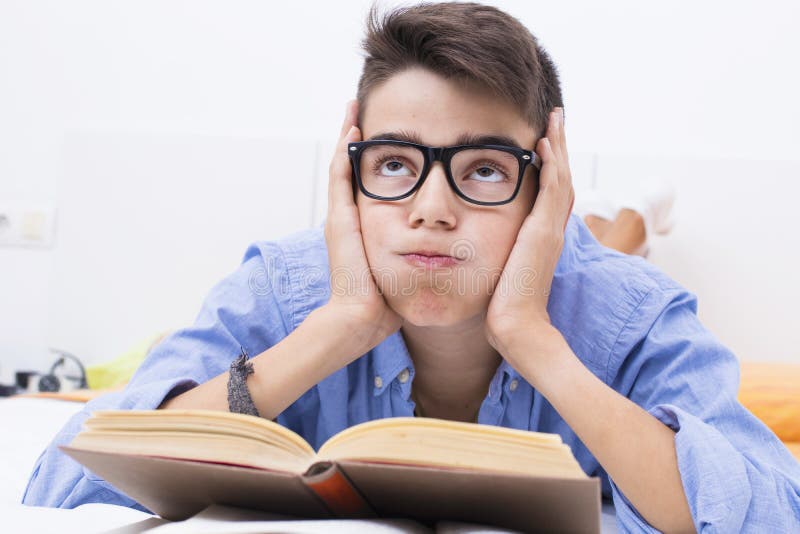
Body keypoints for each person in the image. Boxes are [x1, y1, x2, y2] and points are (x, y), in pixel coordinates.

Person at [22, 3, 800, 532]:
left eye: (485, 169)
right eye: (394, 164)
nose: (431, 207)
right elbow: (61, 491)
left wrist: (533, 337)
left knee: (605, 247)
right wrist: (337, 327)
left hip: (576, 263)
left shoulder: (636, 311)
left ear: (544, 181)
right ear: (347, 172)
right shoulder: (287, 282)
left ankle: (620, 212)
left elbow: (765, 512)